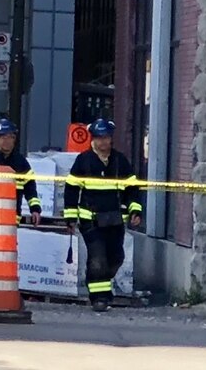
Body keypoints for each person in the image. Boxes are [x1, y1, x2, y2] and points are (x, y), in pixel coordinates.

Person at [63, 118, 142, 312]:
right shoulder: (83, 161)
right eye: (98, 138)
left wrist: (135, 210)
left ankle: (99, 284)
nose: (102, 142)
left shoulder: (120, 161)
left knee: (116, 257)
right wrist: (70, 217)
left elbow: (132, 189)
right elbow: (71, 189)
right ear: (93, 139)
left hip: (115, 221)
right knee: (98, 258)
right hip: (91, 221)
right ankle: (99, 298)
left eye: (106, 137)